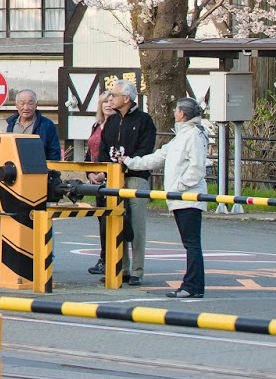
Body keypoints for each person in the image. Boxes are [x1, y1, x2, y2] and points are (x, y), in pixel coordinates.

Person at [123, 96, 210, 299]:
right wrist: (129, 161)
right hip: (179, 197)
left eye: (176, 111)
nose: (174, 114)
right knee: (190, 242)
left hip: (188, 197)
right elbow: (158, 157)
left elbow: (196, 168)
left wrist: (178, 187)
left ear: (182, 113)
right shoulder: (181, 136)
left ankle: (193, 286)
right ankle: (193, 285)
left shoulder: (194, 135)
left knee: (191, 243)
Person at [99, 78, 157, 286]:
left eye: (114, 95)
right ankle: (120, 266)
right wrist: (105, 168)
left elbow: (145, 149)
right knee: (115, 221)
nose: (111, 98)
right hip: (113, 177)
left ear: (126, 98)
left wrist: (127, 166)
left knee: (136, 225)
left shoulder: (144, 120)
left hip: (136, 177)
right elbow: (103, 146)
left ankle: (137, 270)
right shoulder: (112, 121)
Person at [85, 92, 112, 276]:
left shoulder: (118, 126)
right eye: (105, 102)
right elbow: (89, 154)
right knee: (100, 218)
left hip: (111, 177)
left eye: (112, 101)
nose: (109, 105)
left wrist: (105, 173)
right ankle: (103, 257)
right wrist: (90, 173)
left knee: (111, 221)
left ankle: (110, 258)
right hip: (96, 179)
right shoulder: (96, 125)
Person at [3, 89, 62, 161]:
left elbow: (54, 153)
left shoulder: (46, 125)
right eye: (22, 103)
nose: (26, 107)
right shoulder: (9, 125)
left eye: (30, 104)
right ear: (16, 105)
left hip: (38, 169)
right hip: (13, 170)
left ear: (36, 105)